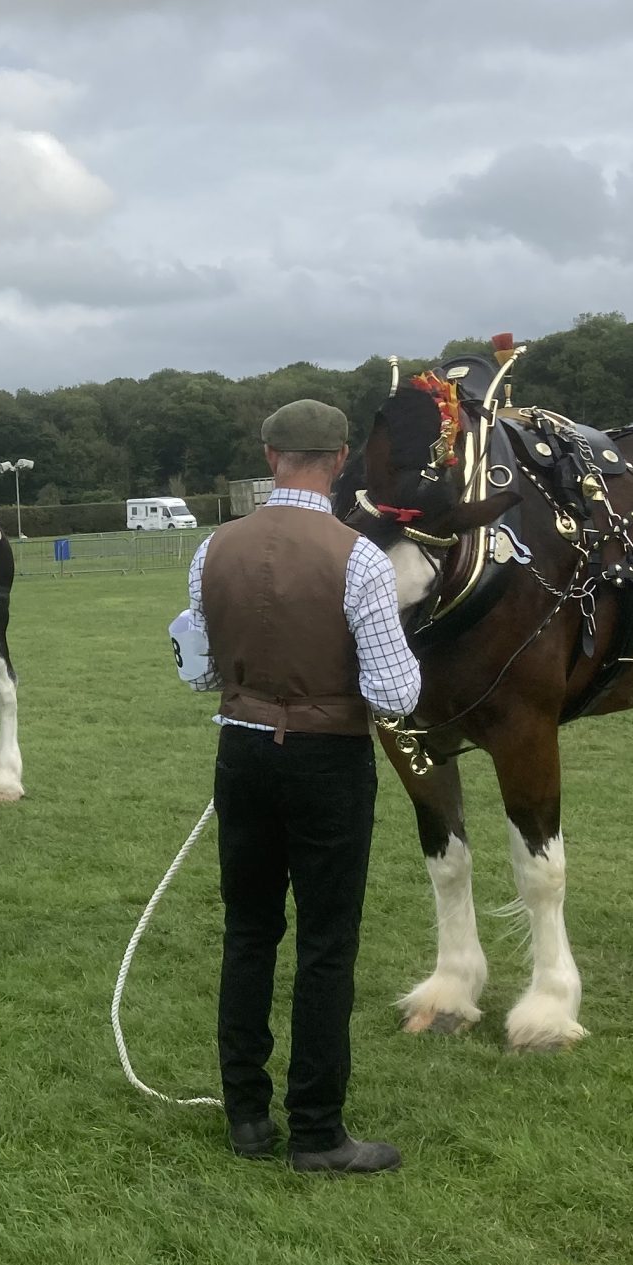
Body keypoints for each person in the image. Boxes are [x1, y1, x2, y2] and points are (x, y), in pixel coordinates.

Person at [181, 398, 421, 1176]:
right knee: (326, 943)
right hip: (328, 761)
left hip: (241, 752)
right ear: (341, 459)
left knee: (249, 932)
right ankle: (316, 1131)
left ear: (269, 455)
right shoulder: (360, 559)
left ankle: (247, 1116)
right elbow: (394, 693)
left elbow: (201, 673)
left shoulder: (212, 548)